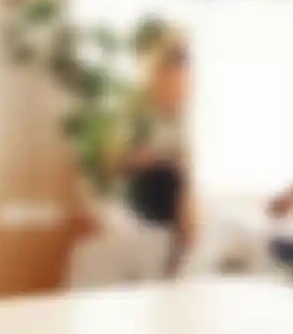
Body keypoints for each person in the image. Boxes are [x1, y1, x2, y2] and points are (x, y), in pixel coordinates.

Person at [65, 20, 198, 287]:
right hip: (141, 196)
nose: (179, 78)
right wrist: (141, 158)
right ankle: (171, 268)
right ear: (159, 72)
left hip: (168, 204)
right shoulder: (136, 109)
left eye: (183, 70)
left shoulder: (178, 116)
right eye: (172, 70)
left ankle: (176, 270)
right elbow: (113, 159)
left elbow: (185, 165)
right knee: (168, 180)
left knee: (179, 187)